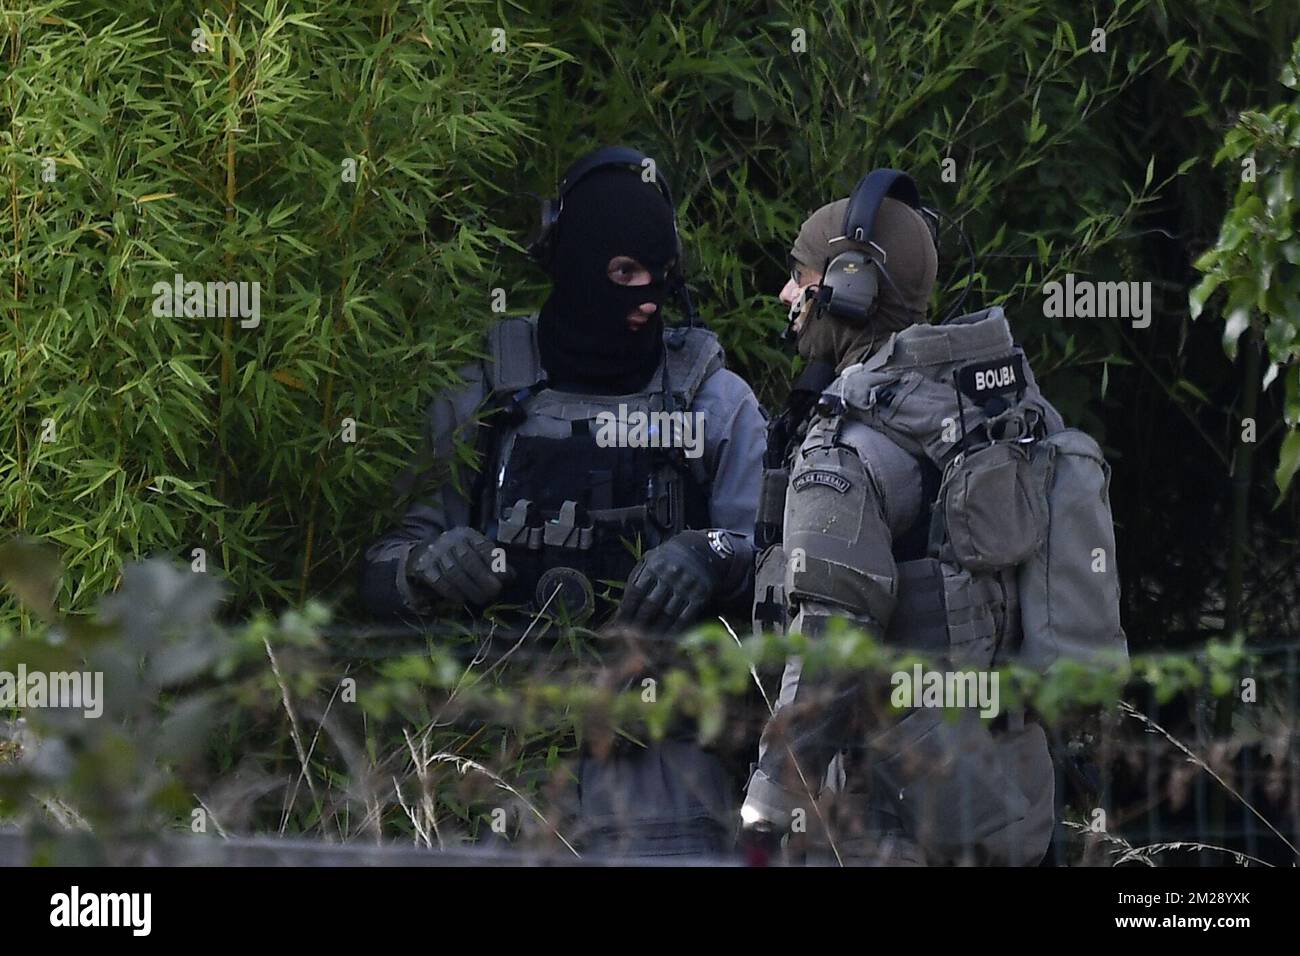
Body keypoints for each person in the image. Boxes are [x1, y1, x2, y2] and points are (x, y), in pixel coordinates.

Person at [359, 147, 767, 858]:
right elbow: (376, 572)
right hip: (497, 767)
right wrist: (426, 568)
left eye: (661, 275)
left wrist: (708, 555)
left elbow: (778, 571)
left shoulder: (713, 401)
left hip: (664, 776)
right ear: (574, 262)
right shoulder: (483, 391)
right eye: (624, 273)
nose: (647, 298)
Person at [740, 169, 1109, 866]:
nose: (787, 294)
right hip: (1012, 799)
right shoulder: (1008, 412)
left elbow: (830, 651)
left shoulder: (847, 446)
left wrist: (767, 805)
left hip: (887, 818)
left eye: (799, 275)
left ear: (848, 287)